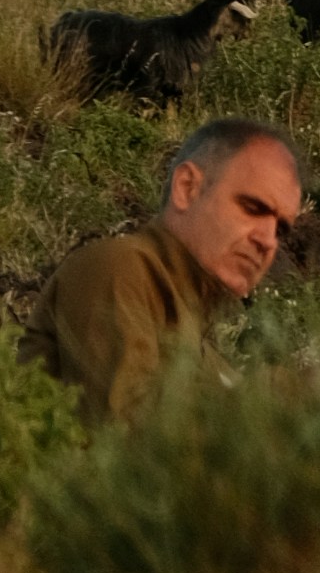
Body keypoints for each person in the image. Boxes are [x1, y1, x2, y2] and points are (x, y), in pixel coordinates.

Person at [39, 117, 305, 429]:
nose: (268, 241)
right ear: (187, 188)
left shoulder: (203, 347)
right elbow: (124, 429)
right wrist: (302, 392)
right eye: (253, 208)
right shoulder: (118, 266)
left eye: (281, 229)